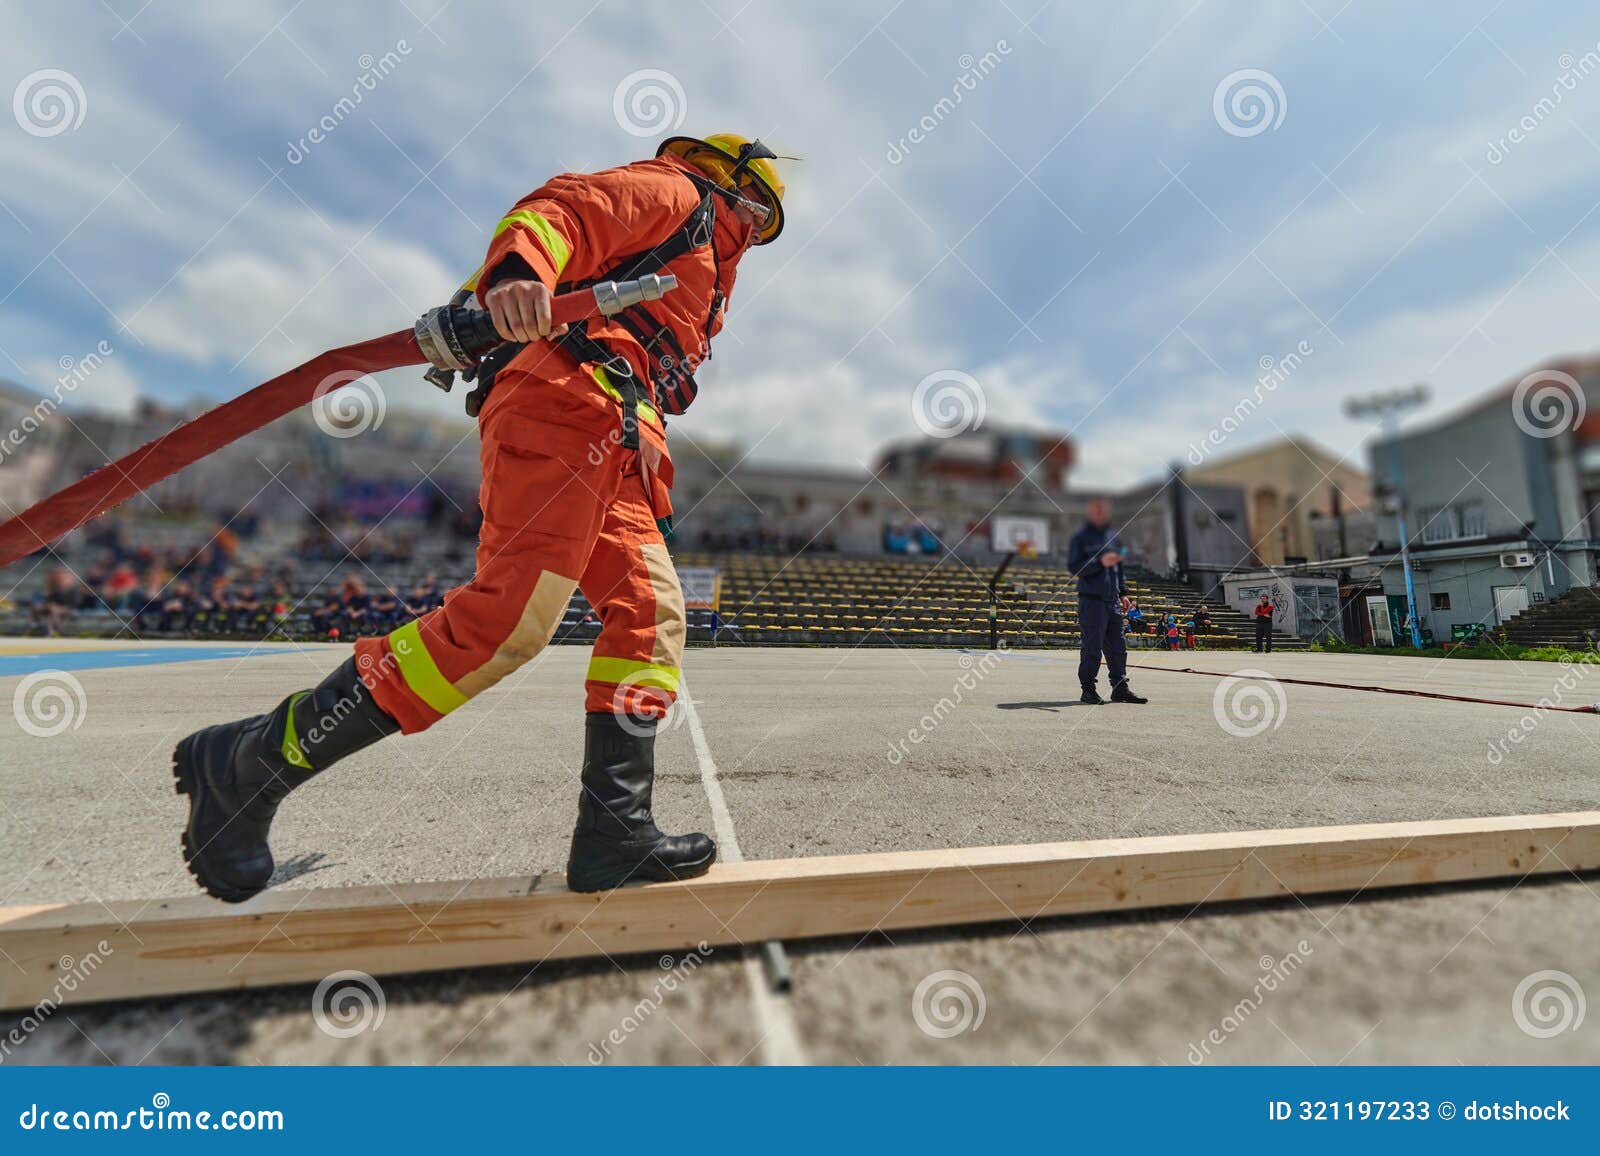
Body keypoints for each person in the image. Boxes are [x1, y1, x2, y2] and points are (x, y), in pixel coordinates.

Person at [173, 133, 787, 903]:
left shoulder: (710, 267)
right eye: (758, 207)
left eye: (768, 223)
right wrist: (524, 272)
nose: (759, 228)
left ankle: (613, 833)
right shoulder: (680, 195)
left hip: (617, 439)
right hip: (566, 403)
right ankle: (253, 761)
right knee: (506, 625)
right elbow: (566, 208)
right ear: (729, 179)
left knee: (652, 614)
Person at [1067, 498, 1148, 705]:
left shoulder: (1113, 536)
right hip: (1091, 600)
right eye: (1097, 510)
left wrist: (1124, 593)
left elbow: (1118, 568)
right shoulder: (1080, 537)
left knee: (1118, 647)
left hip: (1112, 601)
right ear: (1090, 512)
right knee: (1092, 647)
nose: (1101, 514)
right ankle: (1088, 690)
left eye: (1104, 511)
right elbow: (1074, 566)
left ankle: (1120, 688)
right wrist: (1098, 562)